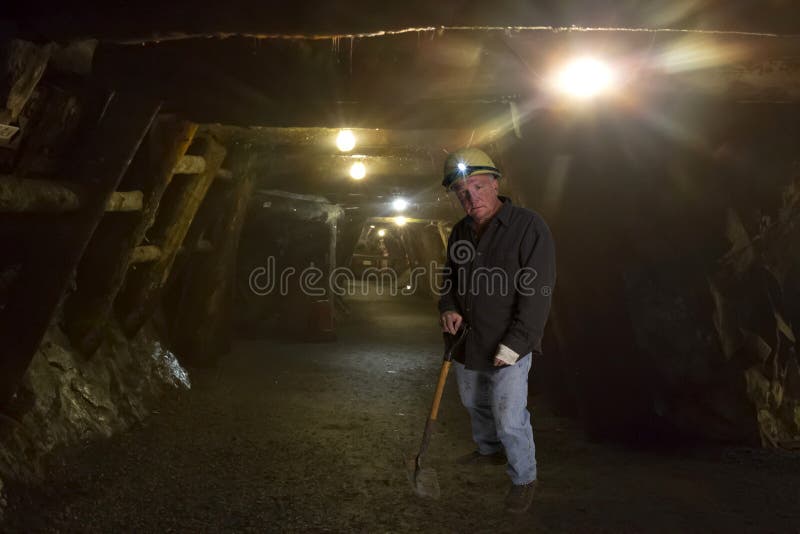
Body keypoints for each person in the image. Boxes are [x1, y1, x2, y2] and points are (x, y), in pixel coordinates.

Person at [438, 147, 556, 514]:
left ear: (495, 183)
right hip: (467, 341)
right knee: (473, 403)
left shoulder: (528, 226)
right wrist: (448, 307)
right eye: (462, 191)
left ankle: (524, 478)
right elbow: (449, 280)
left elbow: (538, 292)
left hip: (508, 344)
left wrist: (516, 344)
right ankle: (488, 451)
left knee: (509, 416)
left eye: (477, 186)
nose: (470, 196)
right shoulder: (459, 232)